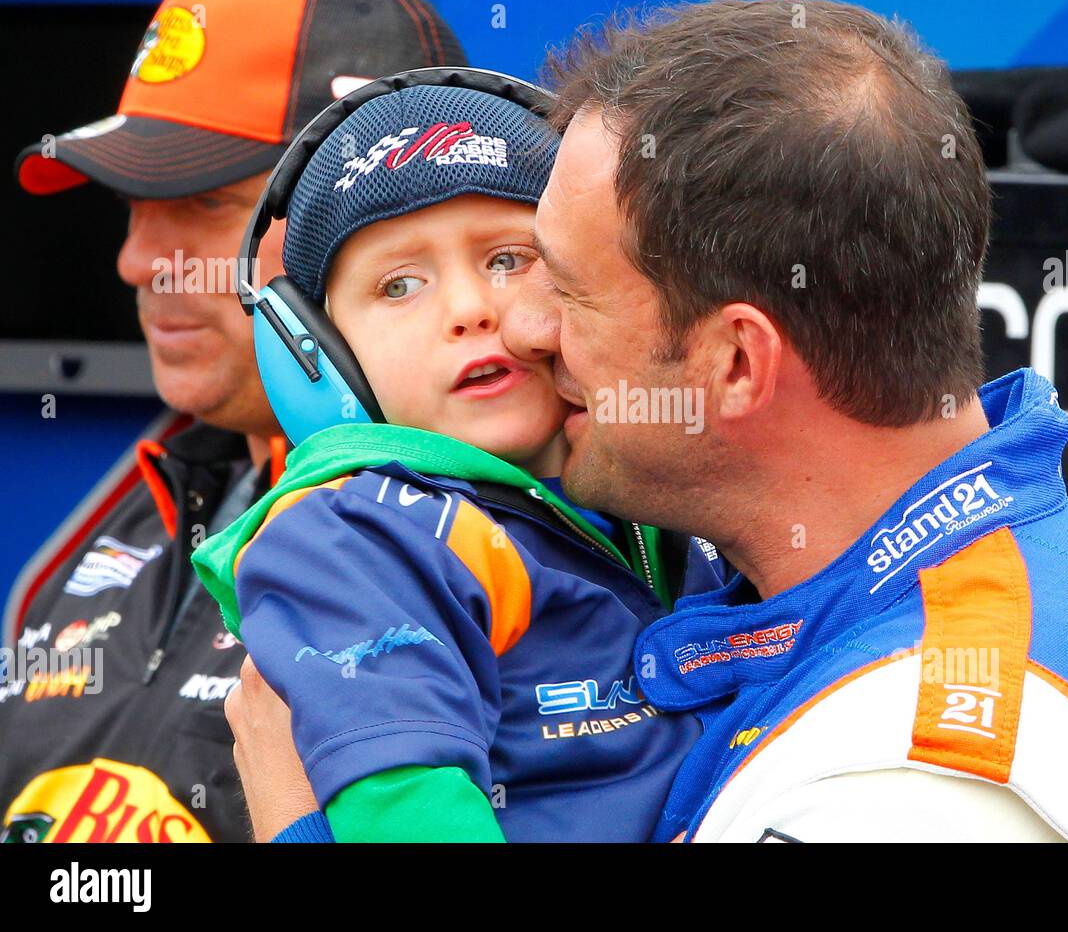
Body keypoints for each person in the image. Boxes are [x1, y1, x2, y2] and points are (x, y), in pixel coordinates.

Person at [500, 0, 1068, 841]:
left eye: (570, 290)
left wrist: (307, 780)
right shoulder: (975, 564)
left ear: (736, 362)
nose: (522, 330)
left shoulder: (904, 781)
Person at [190, 78, 727, 842]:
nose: (468, 308)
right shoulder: (358, 534)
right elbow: (404, 806)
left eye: (510, 259)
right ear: (318, 356)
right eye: (399, 285)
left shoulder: (654, 488)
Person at [0, 0, 465, 843]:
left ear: (381, 216)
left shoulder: (492, 558)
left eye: (203, 203)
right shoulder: (105, 528)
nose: (137, 262)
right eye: (132, 209)